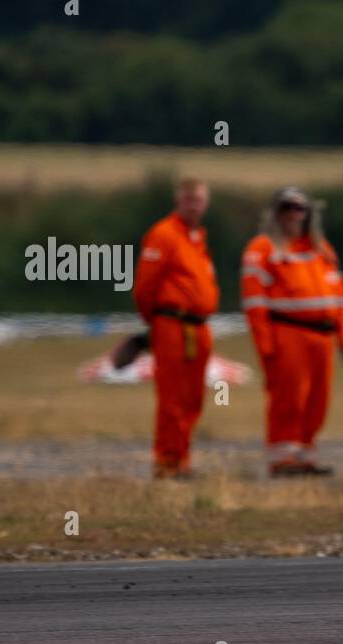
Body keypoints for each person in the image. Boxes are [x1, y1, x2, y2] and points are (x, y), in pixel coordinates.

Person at [241, 186, 343, 477]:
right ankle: (283, 459)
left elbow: (340, 296)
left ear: (308, 214)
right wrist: (265, 344)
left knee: (318, 400)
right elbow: (255, 302)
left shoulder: (321, 249)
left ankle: (305, 455)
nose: (293, 215)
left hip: (322, 336)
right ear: (276, 213)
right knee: (288, 398)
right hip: (287, 333)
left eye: (299, 209)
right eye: (287, 208)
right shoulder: (263, 249)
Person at [133, 177, 220, 479]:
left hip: (199, 327)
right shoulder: (164, 234)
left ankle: (182, 458)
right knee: (172, 397)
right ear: (178, 201)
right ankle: (167, 461)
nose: (195, 206)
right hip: (172, 324)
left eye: (199, 200)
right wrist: (156, 322)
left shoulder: (198, 239)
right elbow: (145, 286)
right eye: (189, 200)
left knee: (193, 398)